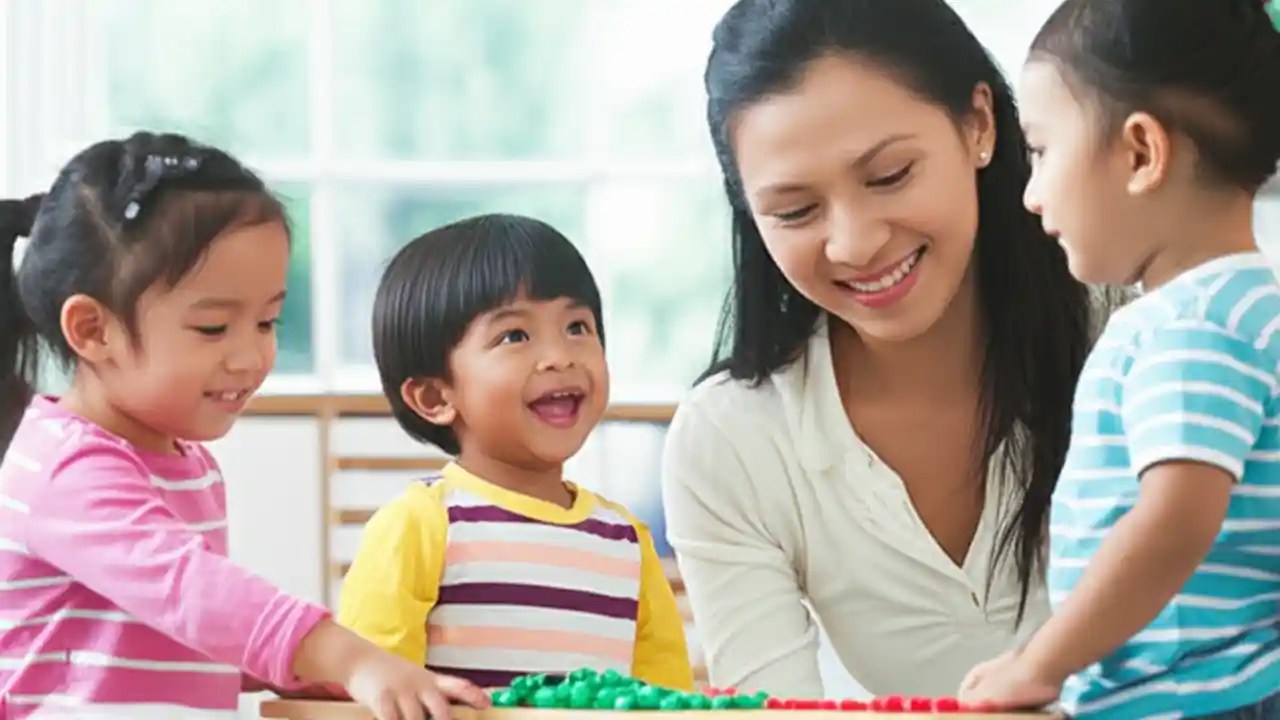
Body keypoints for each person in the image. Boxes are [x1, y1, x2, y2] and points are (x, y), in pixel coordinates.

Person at [660, 0, 1108, 698]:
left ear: (979, 125)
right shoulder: (731, 438)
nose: (855, 243)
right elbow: (781, 714)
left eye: (890, 175)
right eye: (795, 212)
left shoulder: (1129, 324)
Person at [0, 132, 489, 720]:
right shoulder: (63, 466)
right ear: (91, 330)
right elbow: (189, 591)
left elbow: (163, 633)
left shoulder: (183, 461)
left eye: (266, 321)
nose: (251, 357)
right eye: (212, 328)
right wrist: (346, 657)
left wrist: (290, 669)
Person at [959, 1, 1280, 717]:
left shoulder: (1191, 326)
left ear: (1140, 154)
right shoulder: (1248, 307)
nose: (1032, 195)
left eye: (1041, 151)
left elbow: (1174, 520)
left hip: (1198, 699)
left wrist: (1039, 665)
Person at [336, 213, 693, 691]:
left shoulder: (626, 542)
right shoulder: (421, 525)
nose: (560, 356)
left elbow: (669, 702)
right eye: (515, 336)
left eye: (577, 327)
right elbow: (371, 696)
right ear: (435, 397)